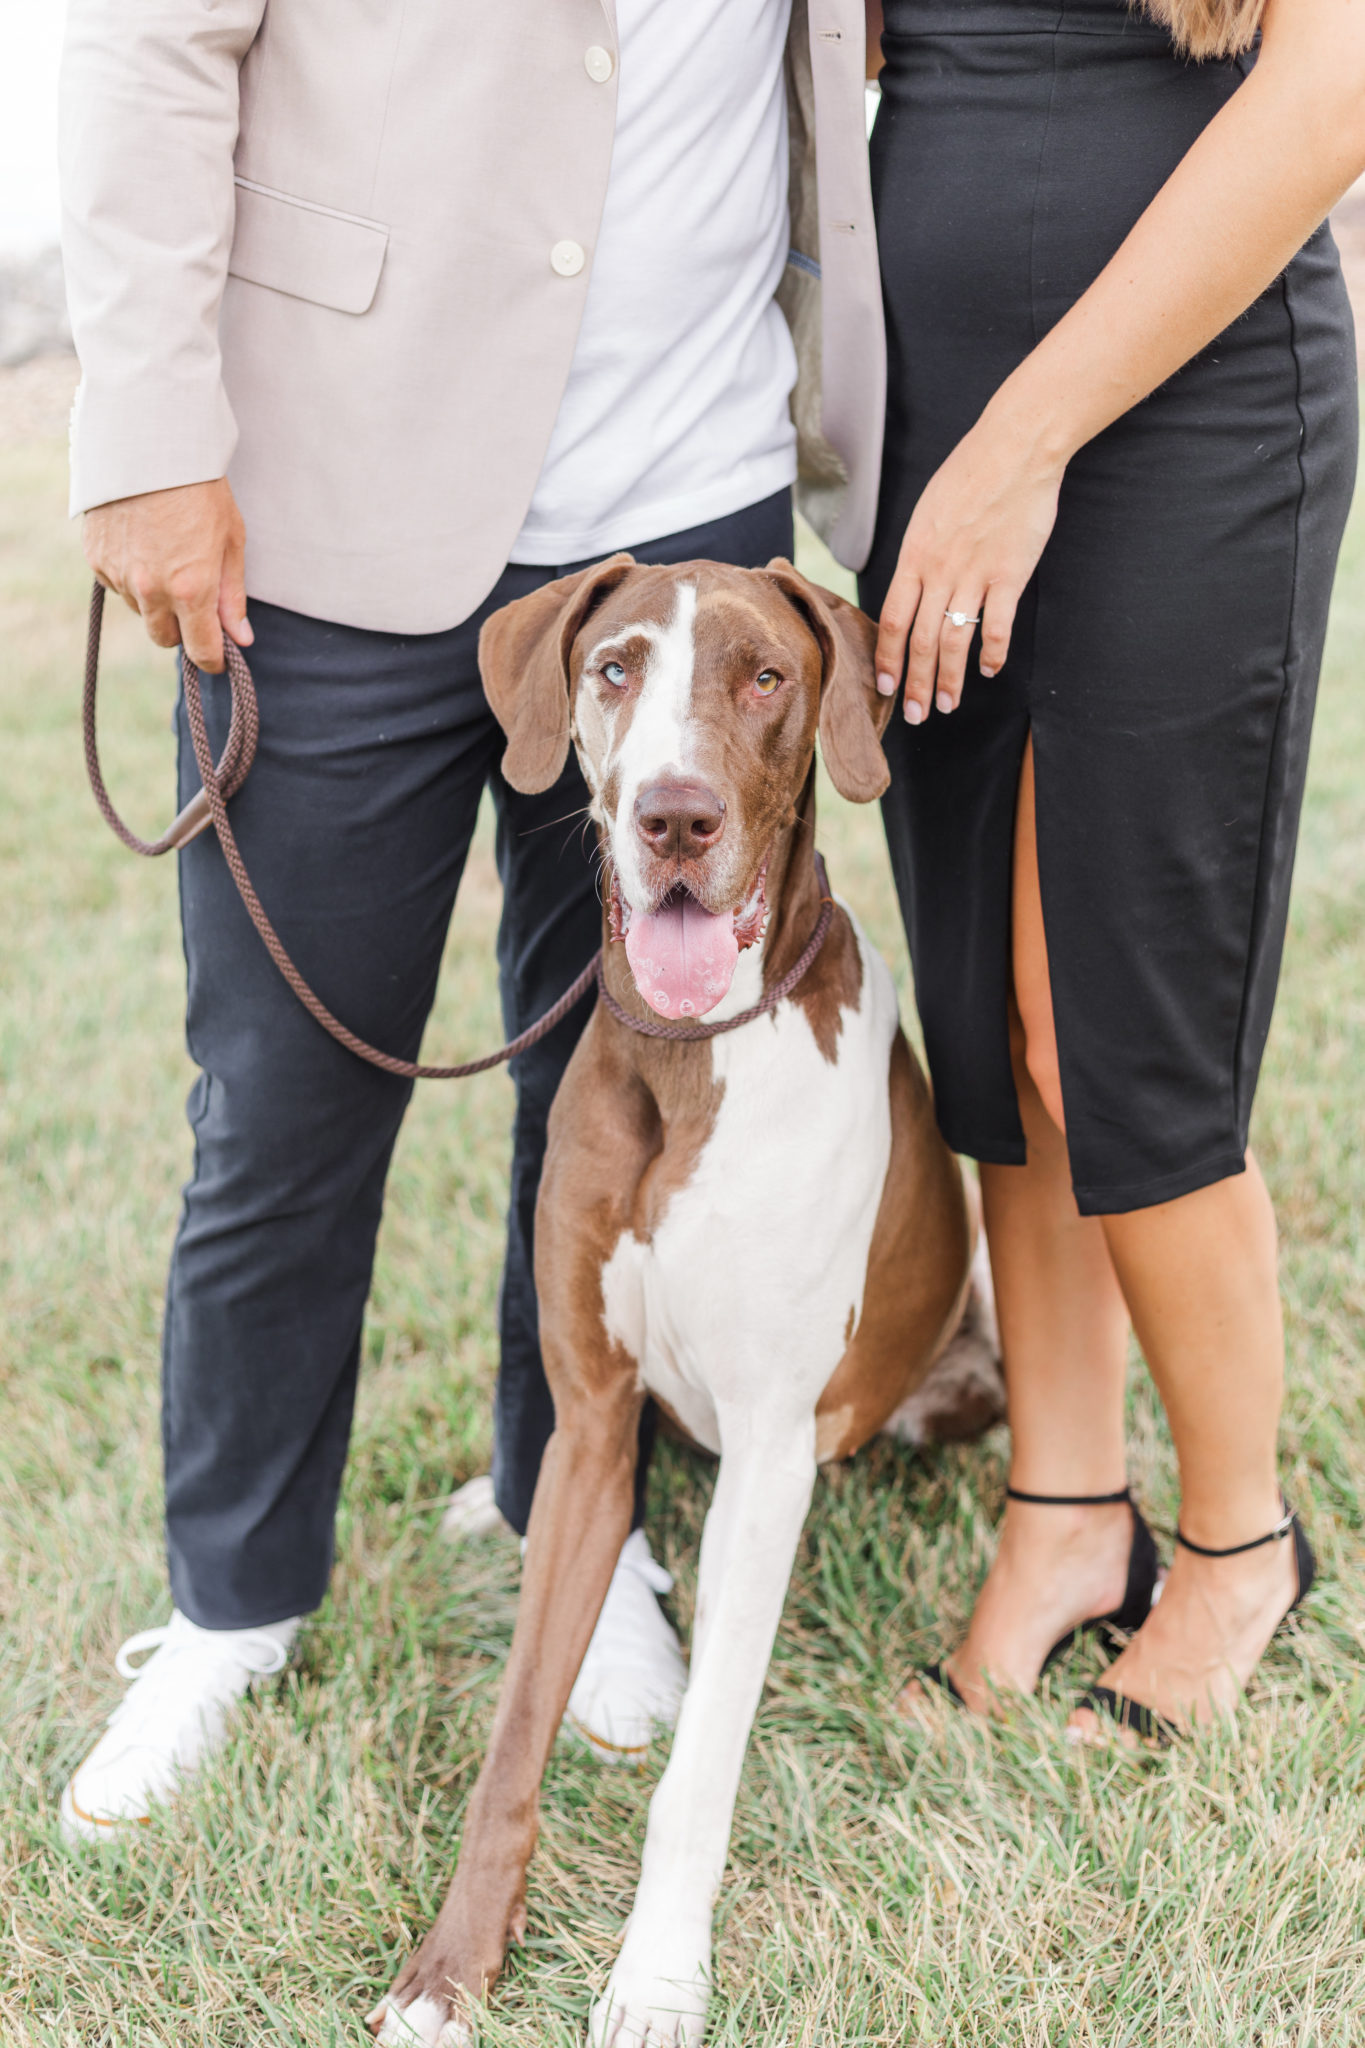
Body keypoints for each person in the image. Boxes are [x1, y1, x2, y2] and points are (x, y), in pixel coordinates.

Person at [57, 0, 886, 1840]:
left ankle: (566, 1516)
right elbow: (148, 41)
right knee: (282, 1097)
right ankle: (231, 1602)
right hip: (338, 500)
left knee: (627, 1087)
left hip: (690, 490)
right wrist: (143, 434)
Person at [861, 0, 1362, 1741]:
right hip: (935, 422)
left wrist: (1023, 447)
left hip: (1183, 415)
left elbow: (1335, 85)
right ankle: (1066, 1520)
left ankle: (1237, 1543)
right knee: (992, 1017)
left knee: (1112, 1027)